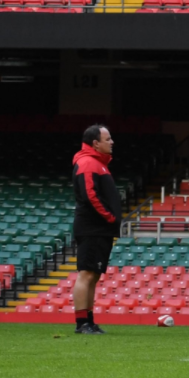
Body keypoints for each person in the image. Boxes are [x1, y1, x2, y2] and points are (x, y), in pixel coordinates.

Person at [71, 124, 120, 335]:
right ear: (95, 143)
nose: (112, 142)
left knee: (93, 276)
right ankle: (82, 323)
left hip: (99, 229)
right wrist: (109, 217)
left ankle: (89, 321)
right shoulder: (88, 163)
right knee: (87, 275)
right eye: (107, 139)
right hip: (92, 228)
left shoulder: (98, 164)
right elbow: (91, 195)